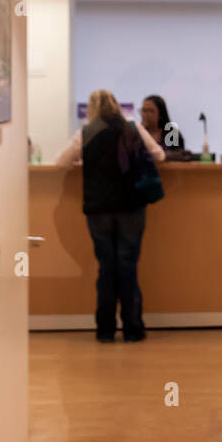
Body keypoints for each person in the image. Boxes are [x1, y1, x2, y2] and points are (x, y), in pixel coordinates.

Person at [55, 90, 165, 343]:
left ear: (93, 109)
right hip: (131, 207)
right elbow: (158, 154)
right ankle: (133, 329)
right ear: (116, 106)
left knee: (106, 267)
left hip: (99, 208)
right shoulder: (133, 128)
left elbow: (61, 162)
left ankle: (104, 330)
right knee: (128, 266)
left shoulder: (85, 133)